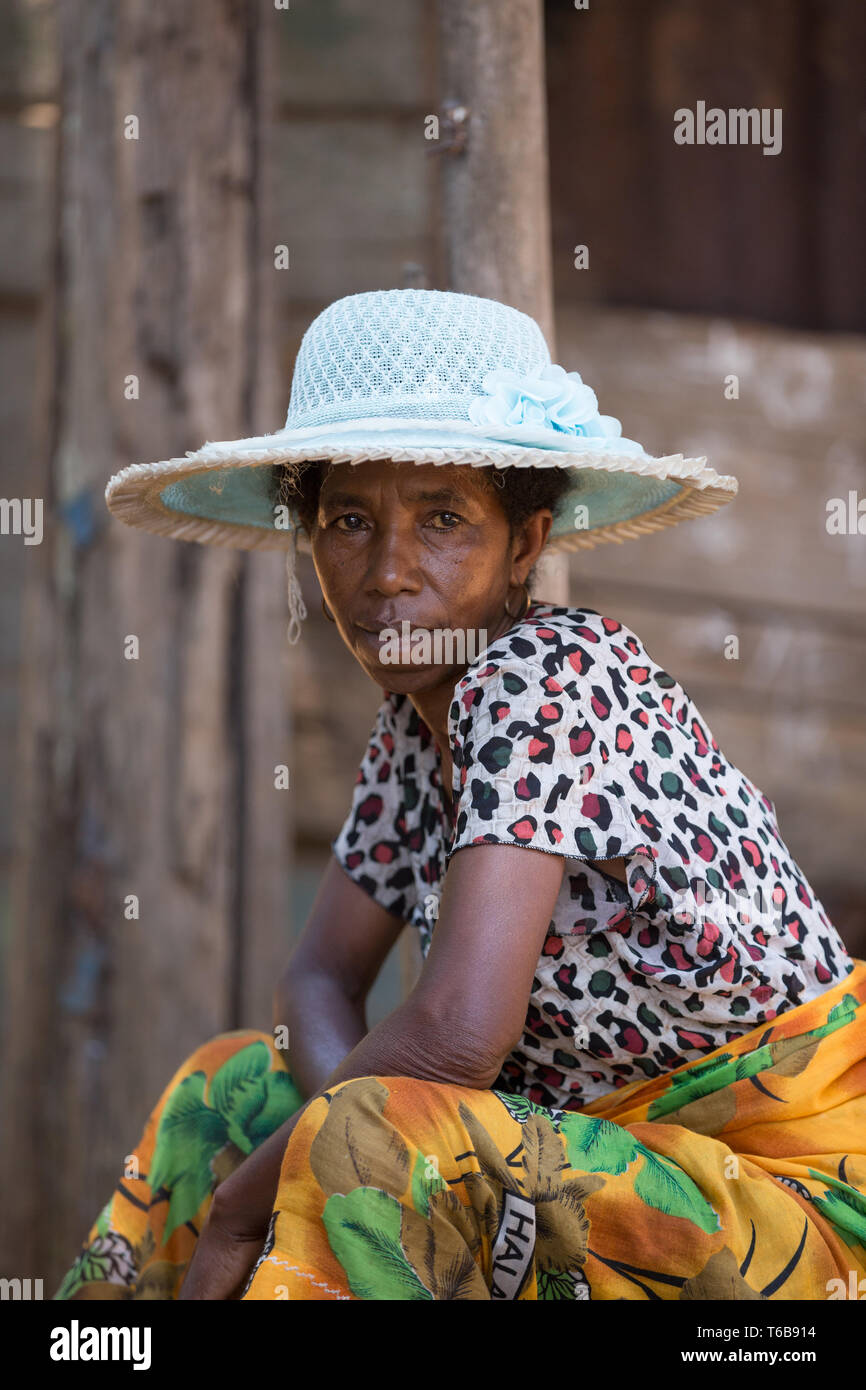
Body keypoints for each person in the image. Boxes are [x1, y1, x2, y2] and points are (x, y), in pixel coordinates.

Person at [55, 289, 865, 1301]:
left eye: (441, 519)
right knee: (231, 1086)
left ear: (523, 546)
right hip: (587, 1160)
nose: (387, 570)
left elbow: (456, 1035)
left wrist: (247, 1203)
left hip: (773, 1199)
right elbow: (314, 982)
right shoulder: (414, 726)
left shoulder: (544, 677)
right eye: (348, 520)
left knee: (370, 1128)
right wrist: (308, 1146)